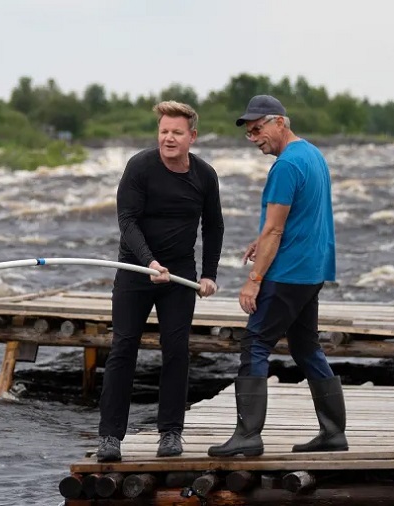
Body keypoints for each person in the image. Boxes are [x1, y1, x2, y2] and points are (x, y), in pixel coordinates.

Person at [208, 95, 348, 457]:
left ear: (280, 122)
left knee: (254, 344)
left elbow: (275, 232)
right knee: (306, 347)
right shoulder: (313, 154)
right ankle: (333, 433)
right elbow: (294, 217)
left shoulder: (285, 166)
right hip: (312, 268)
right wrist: (262, 237)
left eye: (258, 129)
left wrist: (254, 279)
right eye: (250, 133)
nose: (255, 138)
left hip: (288, 272)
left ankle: (248, 436)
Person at [95, 101, 224, 462]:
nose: (168, 138)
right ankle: (110, 437)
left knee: (177, 350)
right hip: (136, 270)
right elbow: (128, 221)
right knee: (123, 348)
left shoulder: (205, 175)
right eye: (164, 131)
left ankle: (170, 432)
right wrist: (149, 262)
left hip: (180, 275)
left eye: (176, 132)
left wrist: (209, 274)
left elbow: (213, 226)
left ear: (192, 137)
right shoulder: (139, 167)